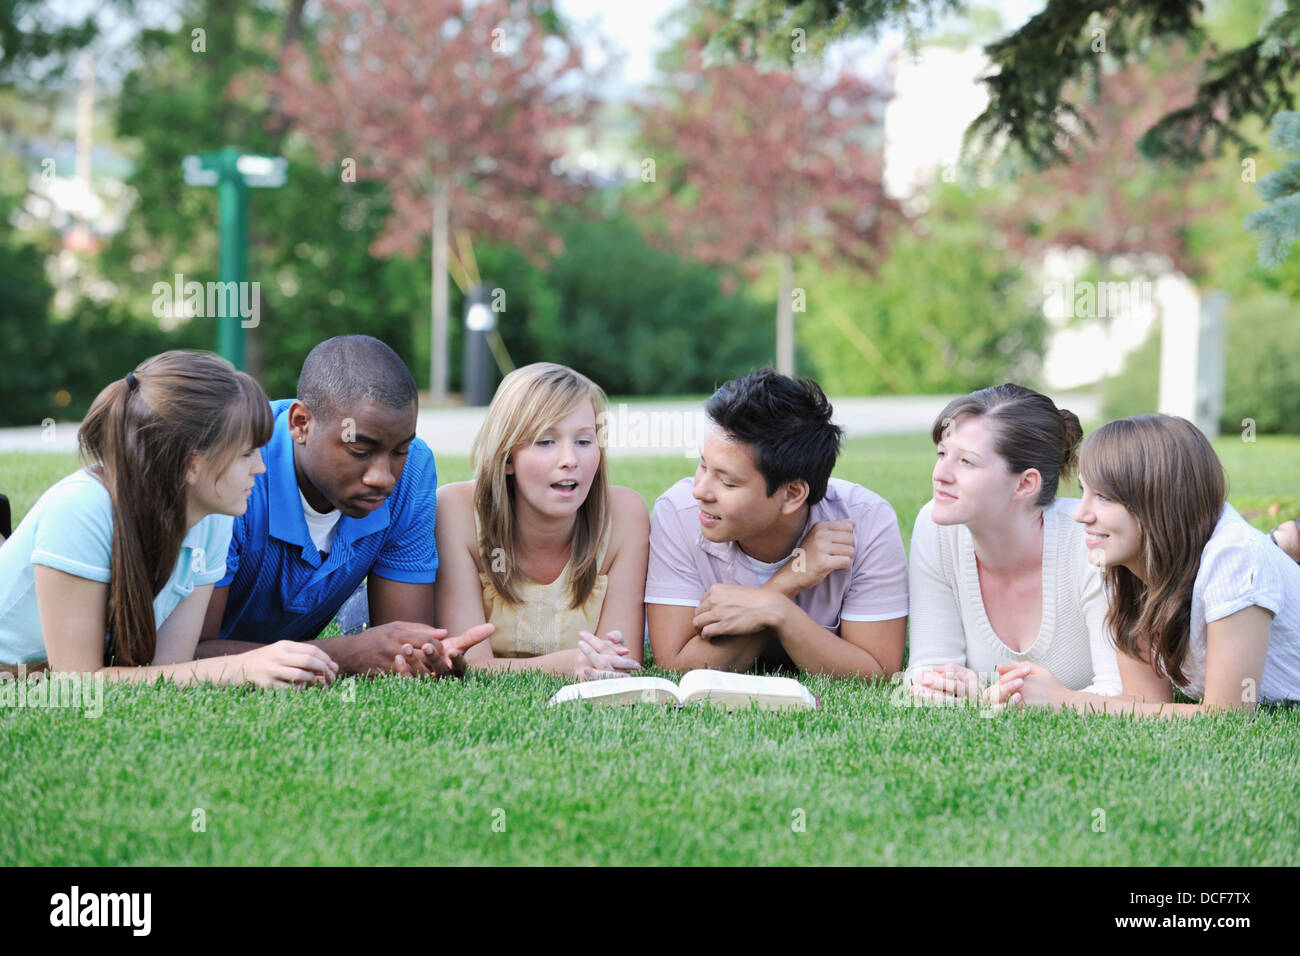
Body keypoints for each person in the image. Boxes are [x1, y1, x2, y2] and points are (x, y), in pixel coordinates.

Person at [0, 351, 338, 687]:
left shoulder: (213, 517)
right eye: (247, 454)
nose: (260, 468)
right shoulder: (82, 507)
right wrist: (238, 668)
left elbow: (170, 667)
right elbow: (77, 682)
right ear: (192, 465)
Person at [196, 335, 492, 676]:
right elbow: (186, 655)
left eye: (399, 450)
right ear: (300, 424)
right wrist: (347, 653)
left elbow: (402, 641)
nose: (383, 478)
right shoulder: (237, 469)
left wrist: (423, 654)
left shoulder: (412, 471)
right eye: (360, 451)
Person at [991, 414, 1300, 714]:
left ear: (1160, 503)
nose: (1081, 514)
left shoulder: (1233, 555)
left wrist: (1066, 700)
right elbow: (1146, 702)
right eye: (1084, 491)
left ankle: (1286, 541)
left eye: (1104, 497)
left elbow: (1227, 716)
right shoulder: (1124, 562)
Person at [646, 368, 907, 677]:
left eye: (728, 484)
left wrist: (778, 611)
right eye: (703, 466)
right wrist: (786, 583)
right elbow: (676, 666)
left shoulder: (866, 522)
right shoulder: (678, 513)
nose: (699, 490)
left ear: (792, 494)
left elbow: (877, 672)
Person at [907, 384, 1122, 704]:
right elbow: (927, 670)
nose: (941, 474)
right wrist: (960, 689)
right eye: (942, 454)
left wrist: (1055, 700)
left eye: (966, 461)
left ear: (1025, 484)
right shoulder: (936, 529)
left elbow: (1122, 691)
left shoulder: (1089, 543)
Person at [434, 363, 648, 679]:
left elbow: (619, 662)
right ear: (507, 458)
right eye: (546, 441)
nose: (570, 460)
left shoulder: (626, 515)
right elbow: (468, 666)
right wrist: (564, 666)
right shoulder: (455, 511)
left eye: (584, 441)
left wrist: (599, 663)